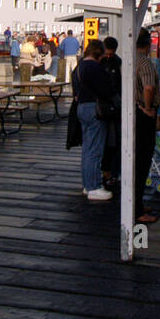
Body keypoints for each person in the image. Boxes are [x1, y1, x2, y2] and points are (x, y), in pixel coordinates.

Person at [72, 39, 114, 201]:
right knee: (95, 149)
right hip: (95, 108)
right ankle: (94, 186)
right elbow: (106, 89)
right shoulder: (96, 67)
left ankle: (87, 183)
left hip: (82, 107)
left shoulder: (80, 66)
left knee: (87, 149)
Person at [133, 28, 160, 224]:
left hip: (130, 112)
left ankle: (136, 203)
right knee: (143, 160)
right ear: (148, 44)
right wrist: (148, 107)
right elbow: (149, 88)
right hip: (143, 113)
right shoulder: (145, 63)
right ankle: (137, 209)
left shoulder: (128, 60)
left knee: (133, 160)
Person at [100, 36, 122, 184]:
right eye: (107, 53)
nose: (108, 56)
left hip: (113, 106)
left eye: (111, 53)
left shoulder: (117, 61)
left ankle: (111, 171)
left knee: (113, 141)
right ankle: (105, 170)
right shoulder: (98, 61)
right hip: (101, 107)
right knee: (103, 140)